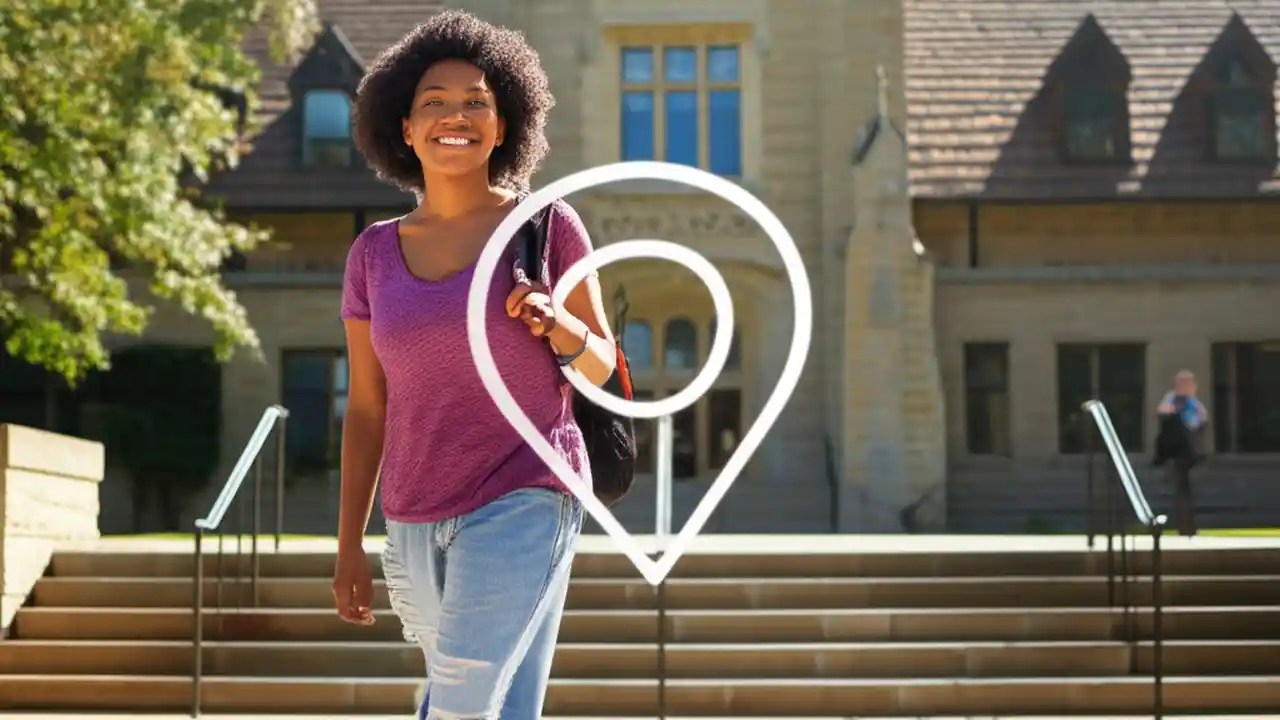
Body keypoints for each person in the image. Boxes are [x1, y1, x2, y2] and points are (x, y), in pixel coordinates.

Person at [331, 10, 617, 719]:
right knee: (500, 702)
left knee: (460, 696)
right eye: (434, 102)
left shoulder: (547, 227)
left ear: (504, 123)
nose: (454, 117)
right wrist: (347, 545)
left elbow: (604, 366)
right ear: (403, 127)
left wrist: (561, 325)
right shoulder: (372, 253)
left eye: (476, 103)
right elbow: (368, 407)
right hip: (413, 510)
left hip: (528, 492)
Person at [1154, 370, 1207, 536]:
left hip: (1190, 453)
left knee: (1186, 491)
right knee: (1182, 490)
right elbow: (1163, 413)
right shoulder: (1172, 400)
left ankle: (1188, 525)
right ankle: (1185, 525)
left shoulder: (1194, 404)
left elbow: (1197, 422)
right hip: (1179, 453)